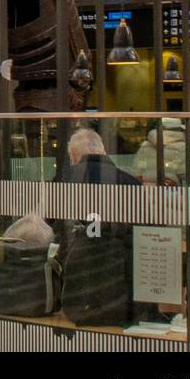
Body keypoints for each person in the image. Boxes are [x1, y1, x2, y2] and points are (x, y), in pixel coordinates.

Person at [57, 127, 140, 327]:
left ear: (74, 156)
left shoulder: (66, 180)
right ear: (103, 152)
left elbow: (53, 226)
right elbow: (143, 232)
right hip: (120, 287)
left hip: (78, 287)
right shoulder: (130, 182)